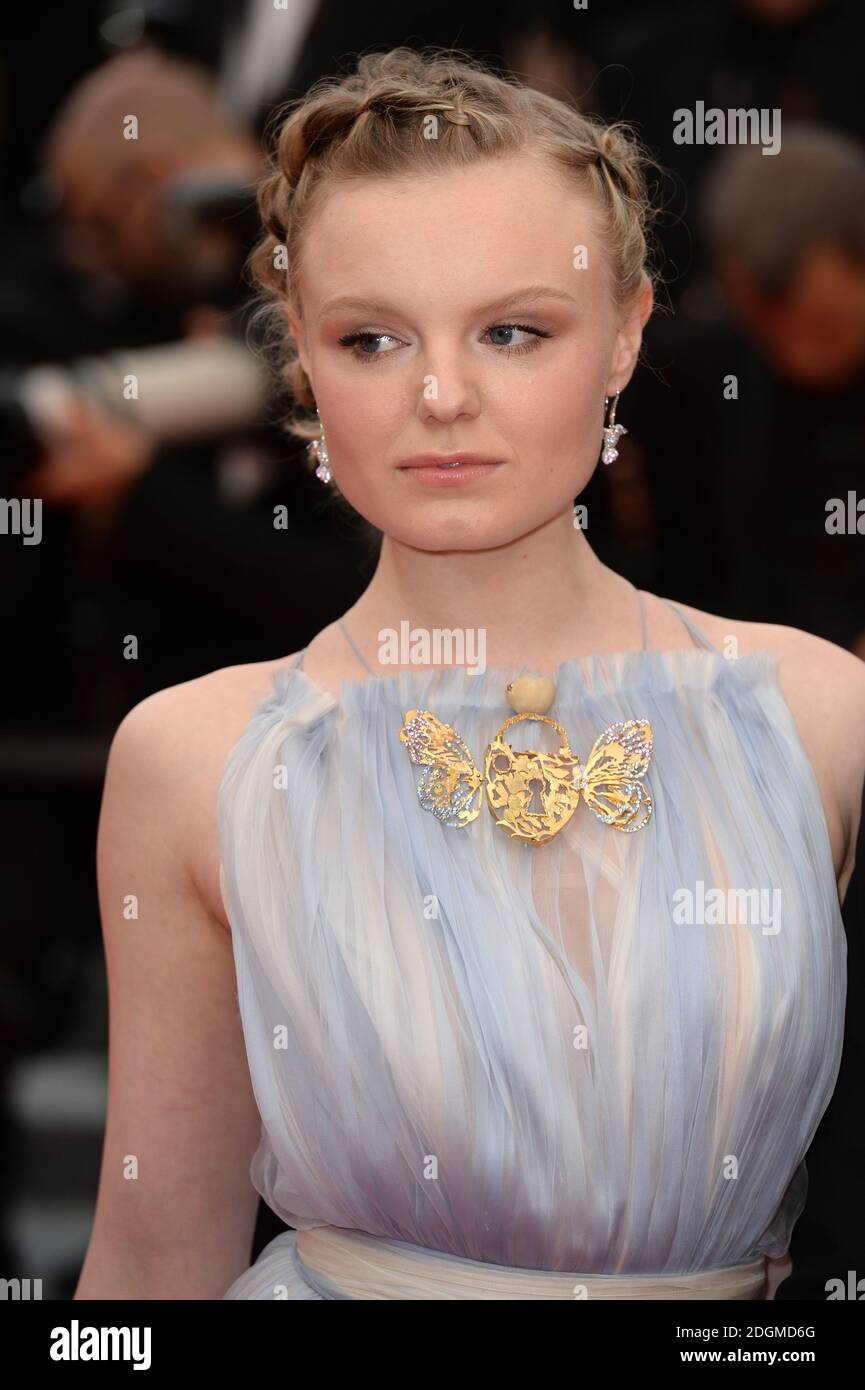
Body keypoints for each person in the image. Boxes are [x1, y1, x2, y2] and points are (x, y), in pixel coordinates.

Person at [74, 47, 865, 1301]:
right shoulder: (195, 758)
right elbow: (154, 1257)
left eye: (511, 330)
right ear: (304, 363)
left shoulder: (820, 716)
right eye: (374, 337)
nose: (442, 395)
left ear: (624, 336)